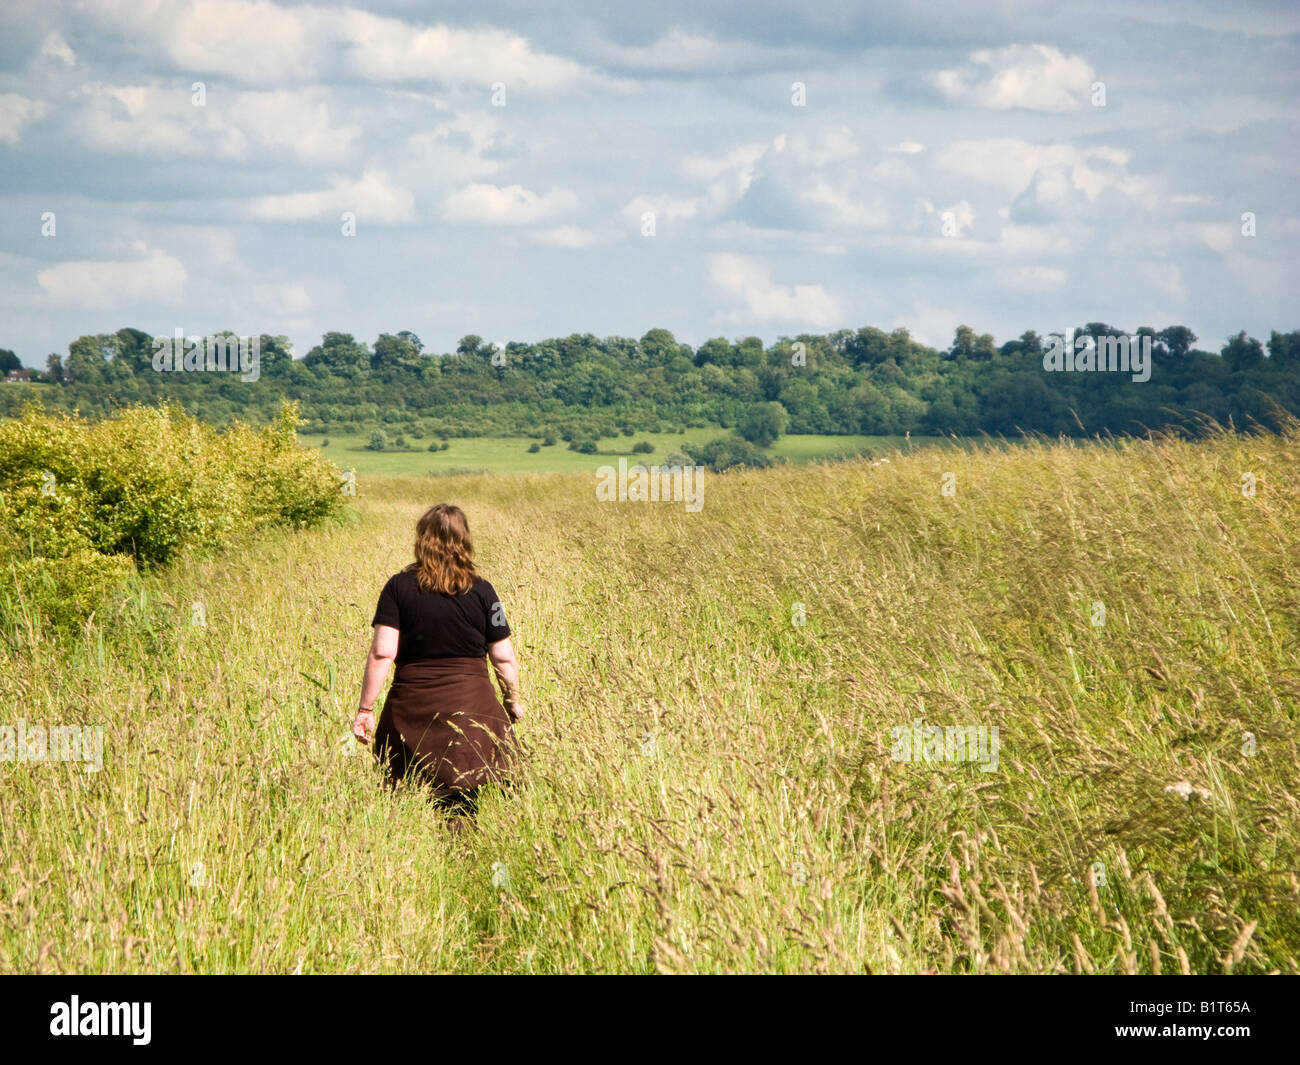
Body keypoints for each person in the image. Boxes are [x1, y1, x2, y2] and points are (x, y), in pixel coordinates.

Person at [352, 503, 522, 828]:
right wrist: (511, 699)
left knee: (403, 790)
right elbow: (503, 657)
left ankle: (417, 854)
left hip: (412, 708)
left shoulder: (398, 588)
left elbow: (382, 654)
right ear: (465, 541)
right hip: (473, 706)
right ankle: (462, 844)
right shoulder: (485, 591)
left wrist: (366, 709)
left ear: (421, 541)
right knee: (464, 793)